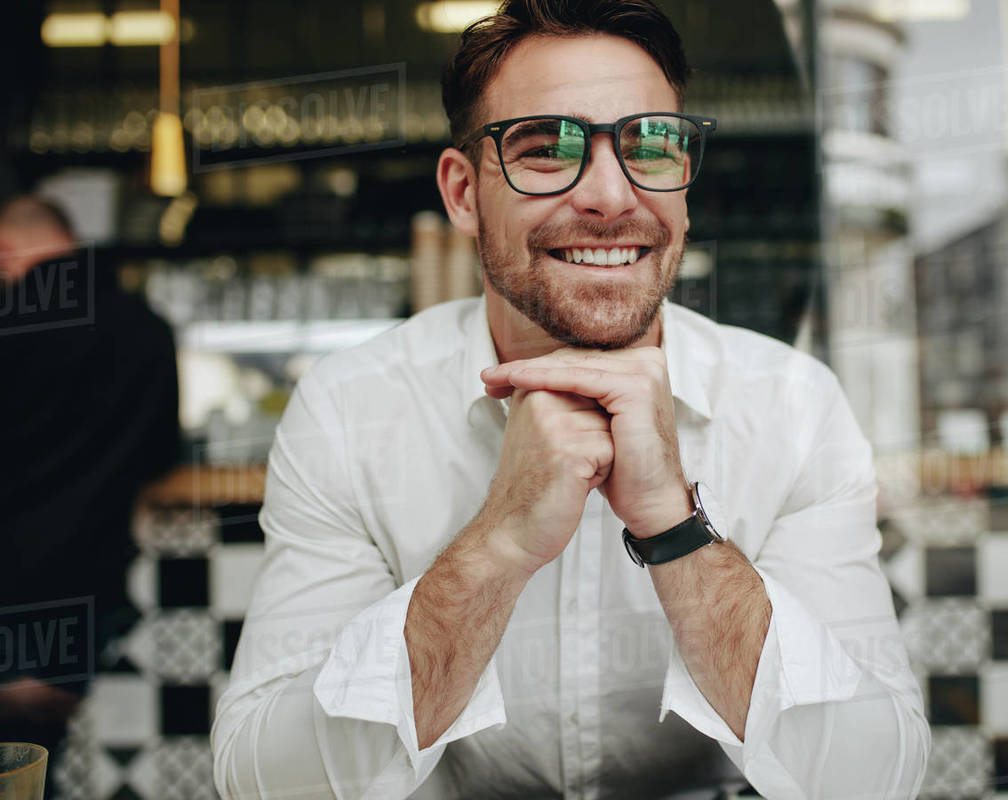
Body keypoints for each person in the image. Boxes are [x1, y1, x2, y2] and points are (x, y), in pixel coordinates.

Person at [211, 1, 929, 797]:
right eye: (546, 150)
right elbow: (263, 782)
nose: (611, 197)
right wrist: (497, 541)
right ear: (462, 193)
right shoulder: (350, 411)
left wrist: (677, 529)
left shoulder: (794, 408)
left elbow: (875, 779)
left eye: (650, 146)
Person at [0, 195, 181, 796]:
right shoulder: (147, 329)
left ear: (6, 250)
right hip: (89, 591)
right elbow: (161, 456)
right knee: (30, 760)